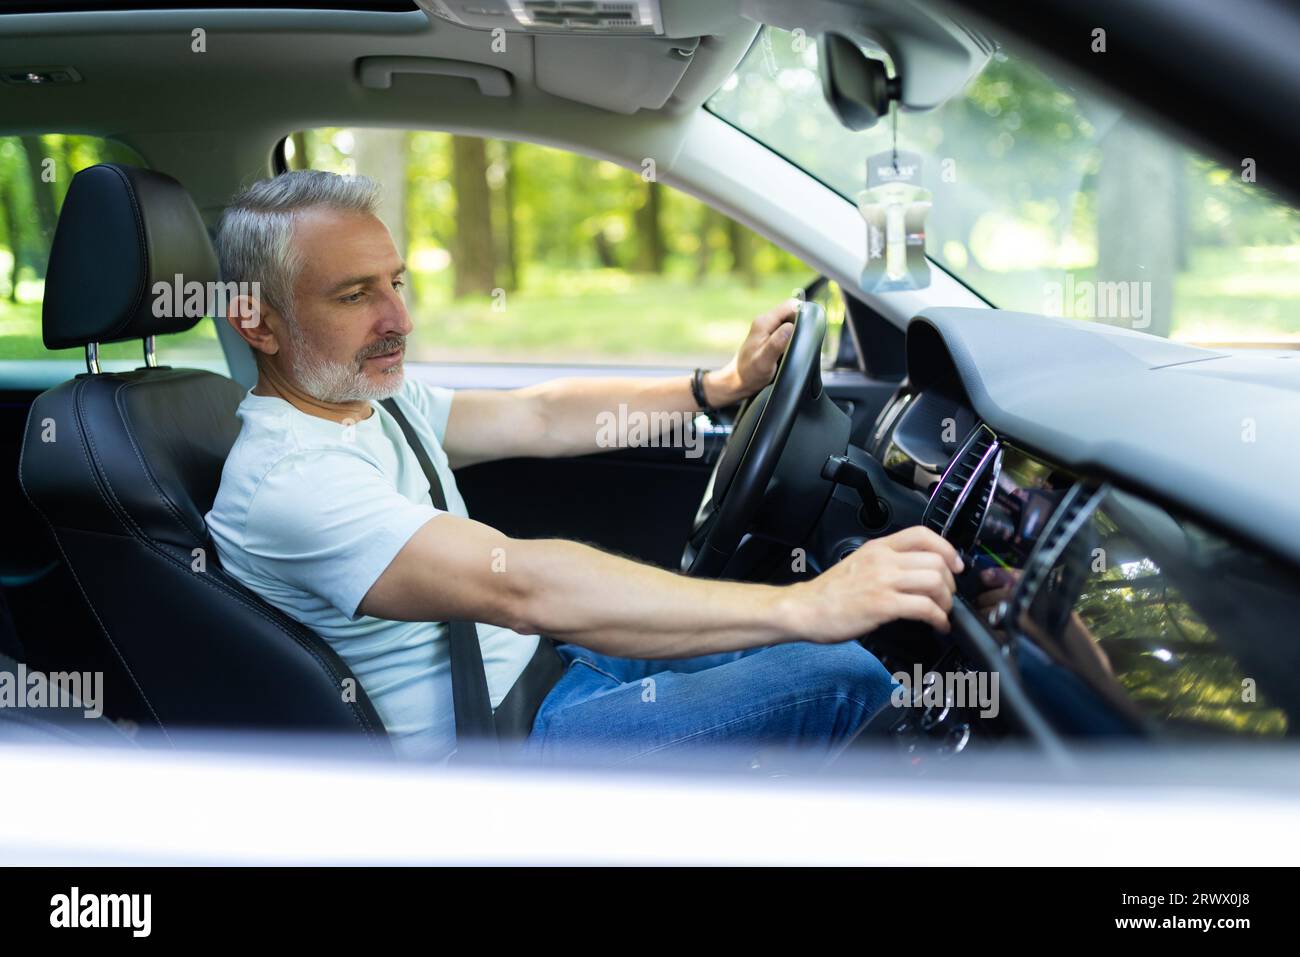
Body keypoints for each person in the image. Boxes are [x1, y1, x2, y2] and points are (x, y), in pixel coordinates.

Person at [205, 170, 962, 764]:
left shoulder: (367, 400)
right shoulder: (289, 478)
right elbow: (522, 583)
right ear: (256, 319)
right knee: (844, 676)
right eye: (354, 294)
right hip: (503, 748)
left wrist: (717, 387)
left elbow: (541, 413)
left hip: (553, 669)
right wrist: (807, 603)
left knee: (840, 650)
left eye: (396, 282)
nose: (398, 319)